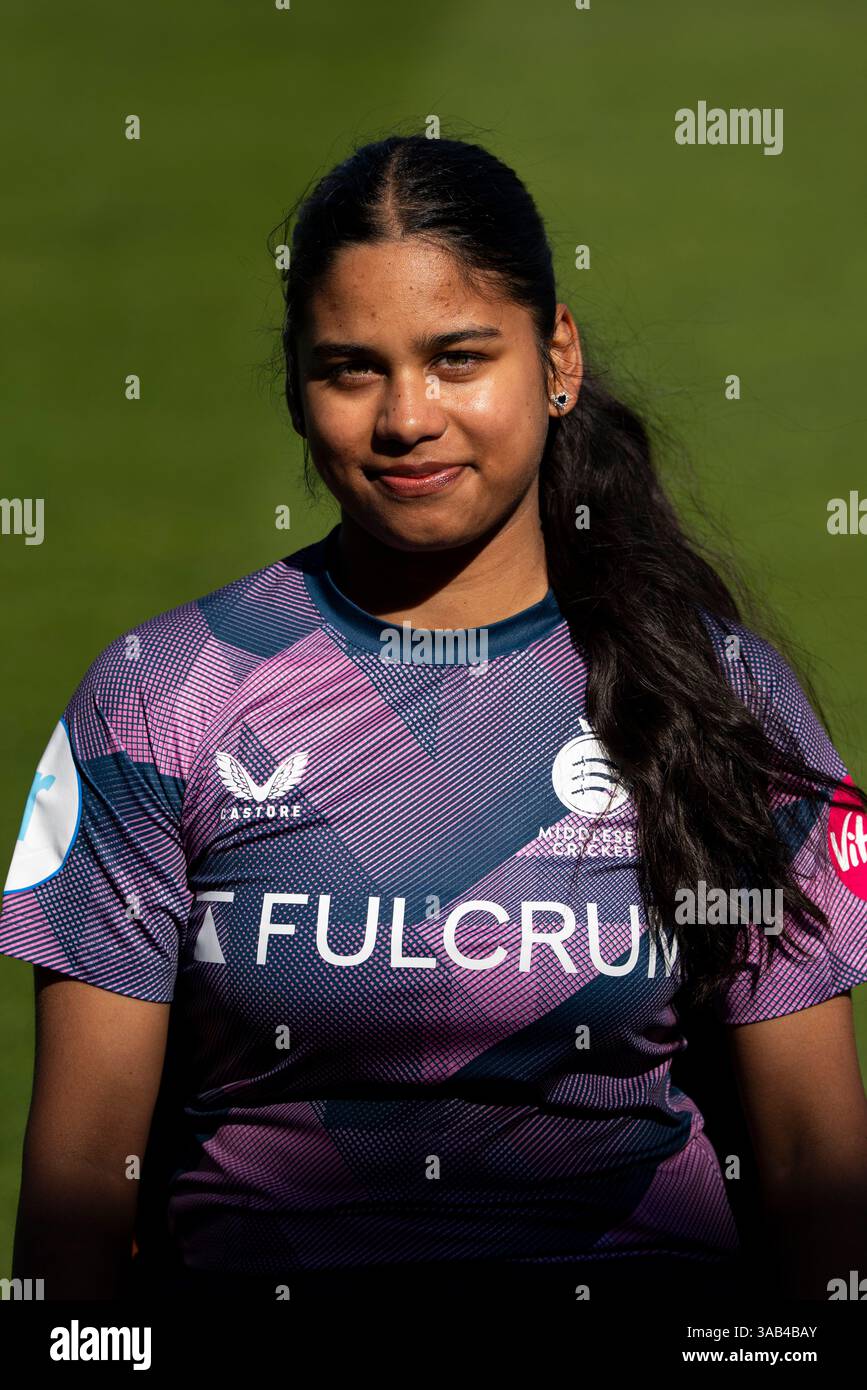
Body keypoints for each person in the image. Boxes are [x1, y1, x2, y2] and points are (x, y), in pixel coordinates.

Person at [2, 134, 866, 1306]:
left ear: (556, 357)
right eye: (352, 369)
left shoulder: (727, 696)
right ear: (297, 383)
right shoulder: (164, 695)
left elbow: (818, 1167)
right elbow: (77, 1182)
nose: (408, 418)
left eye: (460, 358)